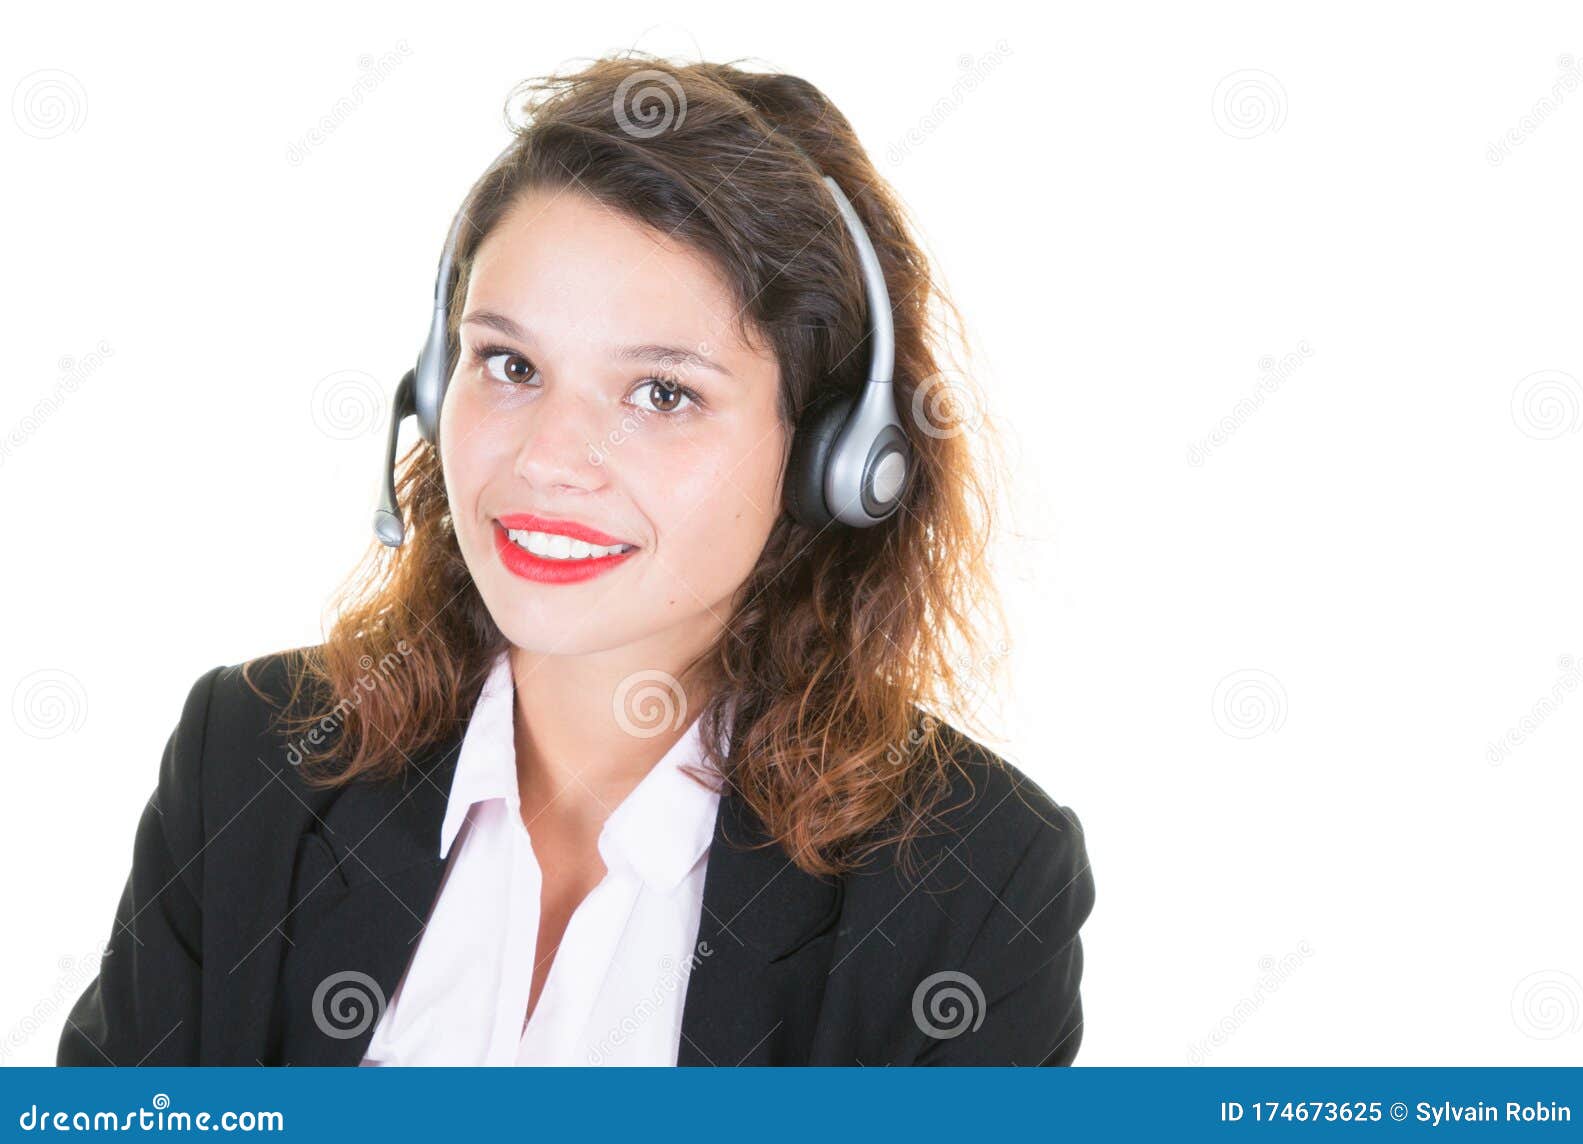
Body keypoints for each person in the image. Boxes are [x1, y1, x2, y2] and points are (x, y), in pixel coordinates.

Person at [57, 52, 1094, 1067]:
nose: (547, 460)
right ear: (432, 386)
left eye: (661, 393)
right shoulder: (249, 760)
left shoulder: (977, 886)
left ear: (830, 455)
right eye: (510, 364)